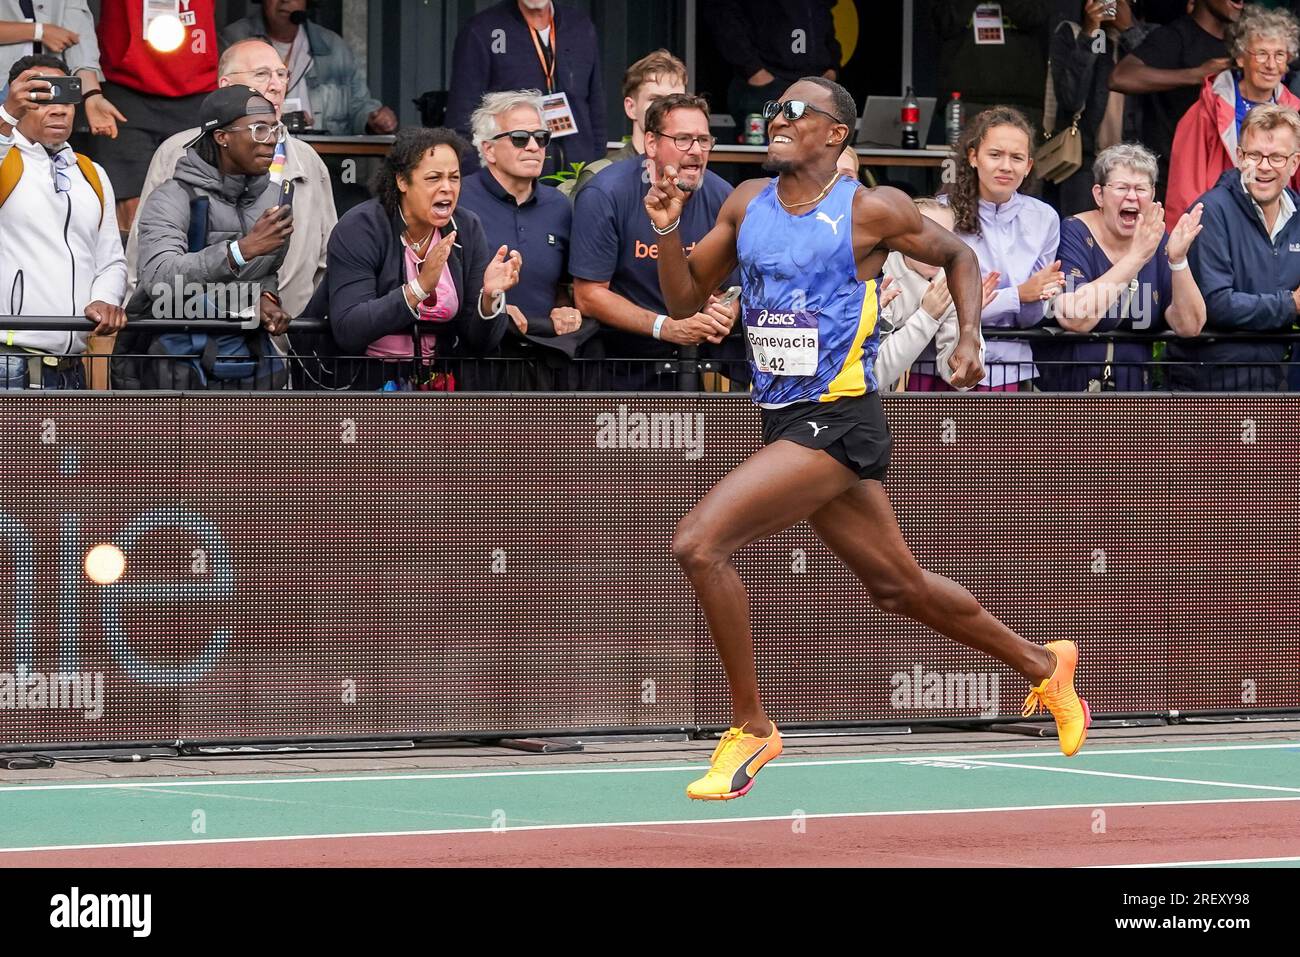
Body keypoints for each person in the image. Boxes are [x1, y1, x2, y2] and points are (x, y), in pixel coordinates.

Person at [645, 77, 1089, 800]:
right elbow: (685, 299)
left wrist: (970, 334)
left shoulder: (870, 210)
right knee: (897, 586)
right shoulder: (744, 204)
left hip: (842, 416)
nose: (777, 120)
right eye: (773, 111)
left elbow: (960, 258)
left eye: (796, 112)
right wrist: (666, 228)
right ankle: (1044, 664)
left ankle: (752, 727)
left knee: (699, 542)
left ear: (836, 135)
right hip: (784, 416)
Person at [127, 38, 336, 321]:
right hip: (187, 342)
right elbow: (146, 259)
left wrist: (300, 320)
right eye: (262, 74)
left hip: (286, 337)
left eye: (282, 74)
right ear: (226, 86)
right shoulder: (177, 152)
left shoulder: (308, 160)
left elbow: (326, 256)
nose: (276, 85)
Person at [303, 126, 519, 391]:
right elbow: (349, 327)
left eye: (454, 178)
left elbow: (480, 342)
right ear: (402, 181)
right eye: (433, 178)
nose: (447, 188)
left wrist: (490, 298)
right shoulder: (361, 227)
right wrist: (418, 288)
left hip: (434, 386)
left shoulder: (466, 228)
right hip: (359, 386)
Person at [113, 86, 294, 391]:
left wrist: (267, 298)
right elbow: (157, 277)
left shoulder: (271, 199)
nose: (273, 139)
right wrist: (241, 251)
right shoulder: (172, 197)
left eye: (276, 128)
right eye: (260, 129)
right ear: (222, 137)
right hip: (176, 369)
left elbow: (266, 273)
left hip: (246, 361)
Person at [571, 93, 739, 390]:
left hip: (694, 366)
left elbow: (732, 288)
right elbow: (589, 295)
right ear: (651, 143)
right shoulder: (605, 193)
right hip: (617, 369)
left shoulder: (724, 196)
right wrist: (665, 327)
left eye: (703, 140)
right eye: (684, 139)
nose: (697, 151)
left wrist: (726, 312)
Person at [910, 107, 1063, 391]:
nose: (1006, 166)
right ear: (973, 157)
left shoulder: (1045, 218)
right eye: (995, 155)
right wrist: (1018, 295)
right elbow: (935, 304)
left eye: (1017, 158)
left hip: (1010, 367)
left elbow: (1035, 311)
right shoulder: (941, 214)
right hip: (942, 363)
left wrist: (1020, 299)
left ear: (1028, 165)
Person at [0, 55, 125, 389]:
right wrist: (6, 115)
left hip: (72, 366)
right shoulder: (6, 159)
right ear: (18, 102)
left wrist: (105, 299)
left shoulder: (91, 172)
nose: (60, 109)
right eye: (43, 98)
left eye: (68, 98)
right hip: (9, 360)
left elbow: (111, 259)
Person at [1042, 143, 1207, 391]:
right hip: (1072, 391)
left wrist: (1178, 260)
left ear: (1152, 196)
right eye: (1121, 187)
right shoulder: (1074, 231)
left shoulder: (1159, 241)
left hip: (1134, 392)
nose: (1132, 196)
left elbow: (1190, 325)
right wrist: (1137, 256)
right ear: (1099, 195)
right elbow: (1075, 317)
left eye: (1141, 188)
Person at [460, 89, 594, 389]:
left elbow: (561, 283)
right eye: (520, 138)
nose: (534, 146)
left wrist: (565, 307)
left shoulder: (559, 205)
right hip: (478, 365)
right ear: (489, 149)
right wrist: (491, 306)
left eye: (541, 138)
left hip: (545, 366)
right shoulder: (459, 200)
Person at [1169, 103, 1300, 390]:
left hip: (1273, 383)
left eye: (1277, 157)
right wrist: (1291, 304)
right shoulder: (1211, 211)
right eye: (1254, 155)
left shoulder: (1298, 216)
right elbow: (1217, 305)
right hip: (1208, 386)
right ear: (1239, 157)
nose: (1264, 167)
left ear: (1294, 163)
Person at [92, 0, 219, 232]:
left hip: (198, 89)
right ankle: (131, 269)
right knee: (131, 212)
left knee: (198, 209)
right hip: (126, 87)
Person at [1166, 4, 1300, 221]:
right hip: (1220, 223)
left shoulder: (1294, 112)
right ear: (1240, 58)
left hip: (1277, 228)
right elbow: (1185, 187)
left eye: (1279, 55)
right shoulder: (1206, 110)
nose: (1271, 65)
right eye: (1261, 54)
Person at [446, 1, 606, 175]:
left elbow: (595, 106)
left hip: (579, 176)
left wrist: (595, 168)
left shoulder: (580, 26)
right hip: (514, 183)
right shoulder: (481, 30)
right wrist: (477, 185)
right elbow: (461, 118)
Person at [1109, 0, 1241, 199]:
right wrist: (1196, 75)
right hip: (1170, 182)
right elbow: (1120, 77)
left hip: (1220, 180)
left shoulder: (1237, 44)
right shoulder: (1174, 36)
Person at [220, 0, 396, 136]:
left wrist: (371, 119)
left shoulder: (333, 46)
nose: (285, 0)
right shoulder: (234, 39)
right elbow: (221, 107)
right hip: (258, 152)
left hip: (325, 159)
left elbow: (358, 105)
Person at [879, 198, 999, 390]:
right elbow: (875, 374)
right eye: (927, 236)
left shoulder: (951, 280)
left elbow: (960, 378)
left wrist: (968, 316)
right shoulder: (879, 275)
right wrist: (927, 317)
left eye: (947, 239)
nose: (938, 248)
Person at [1050, 1, 1154, 215]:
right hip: (1085, 164)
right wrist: (1091, 32)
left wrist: (1128, 30)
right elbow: (1070, 98)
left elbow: (1157, 80)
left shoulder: (1154, 36)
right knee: (1081, 237)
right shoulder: (1073, 33)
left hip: (1138, 164)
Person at [702, 0, 840, 137]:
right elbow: (722, 15)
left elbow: (824, 19)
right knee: (766, 149)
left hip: (814, 87)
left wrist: (831, 67)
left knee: (816, 151)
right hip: (767, 85)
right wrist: (753, 70)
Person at [569, 48, 687, 201]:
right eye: (655, 99)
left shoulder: (692, 175)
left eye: (677, 100)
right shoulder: (600, 176)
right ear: (631, 107)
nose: (666, 108)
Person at [0, 0, 124, 138]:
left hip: (49, 90)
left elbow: (78, 31)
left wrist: (92, 94)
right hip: (5, 85)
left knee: (38, 154)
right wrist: (39, 31)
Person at [932, 1, 1051, 136]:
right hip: (966, 97)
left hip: (1023, 98)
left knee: (1018, 153)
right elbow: (946, 21)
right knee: (968, 154)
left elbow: (1035, 17)